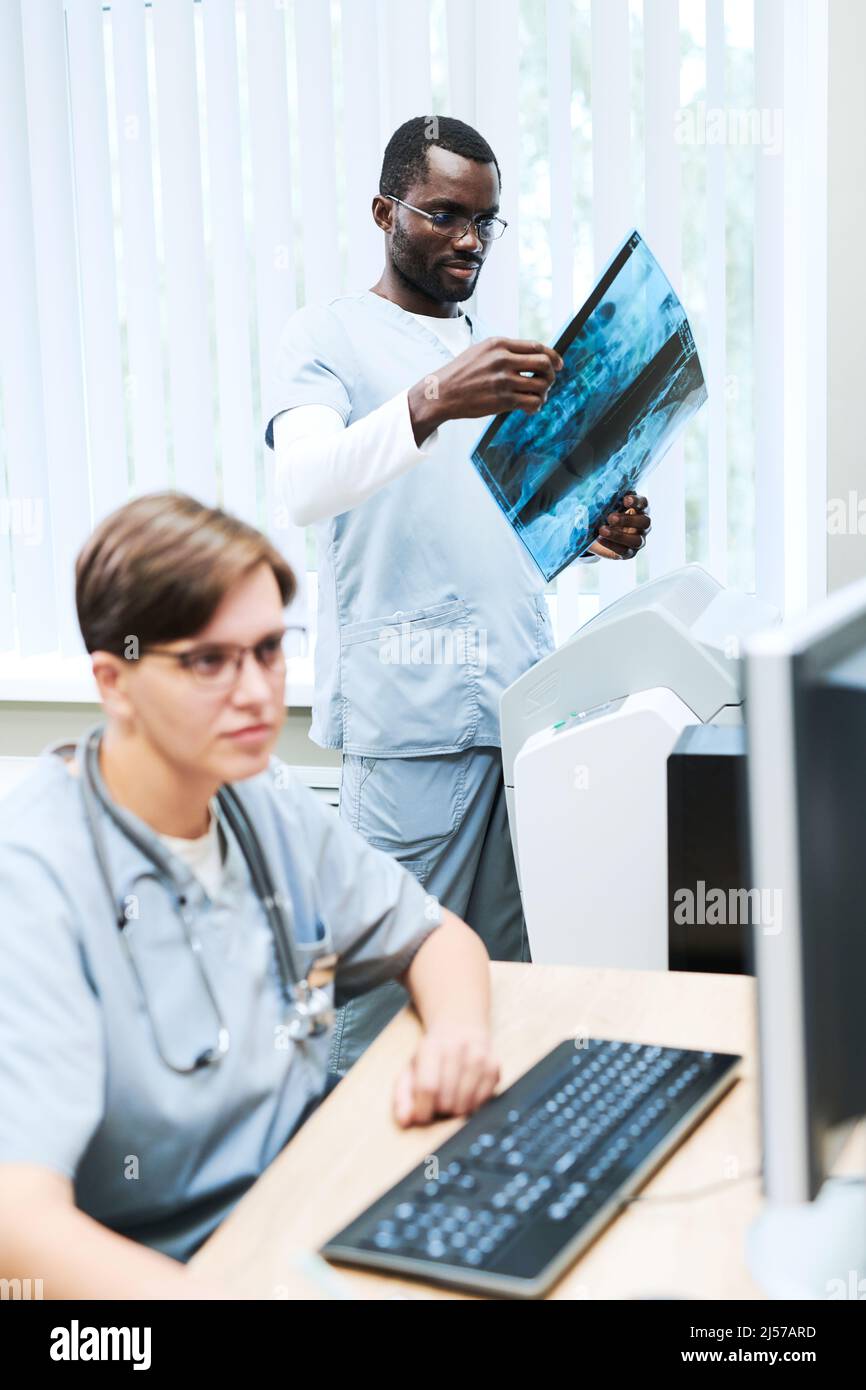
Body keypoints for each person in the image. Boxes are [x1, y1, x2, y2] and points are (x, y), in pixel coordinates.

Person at [0, 492, 501, 1299]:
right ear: (114, 681)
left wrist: (458, 1037)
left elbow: (434, 935)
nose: (258, 692)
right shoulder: (35, 879)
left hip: (312, 1207)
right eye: (209, 661)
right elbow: (19, 1225)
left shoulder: (258, 797)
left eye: (269, 650)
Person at [266, 116, 652, 1073]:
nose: (471, 240)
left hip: (521, 722)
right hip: (408, 741)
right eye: (444, 216)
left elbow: (490, 536)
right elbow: (305, 483)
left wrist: (591, 535)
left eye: (486, 221)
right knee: (382, 1020)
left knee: (507, 997)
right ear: (384, 211)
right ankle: (329, 1211)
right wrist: (434, 398)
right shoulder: (330, 337)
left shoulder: (489, 351)